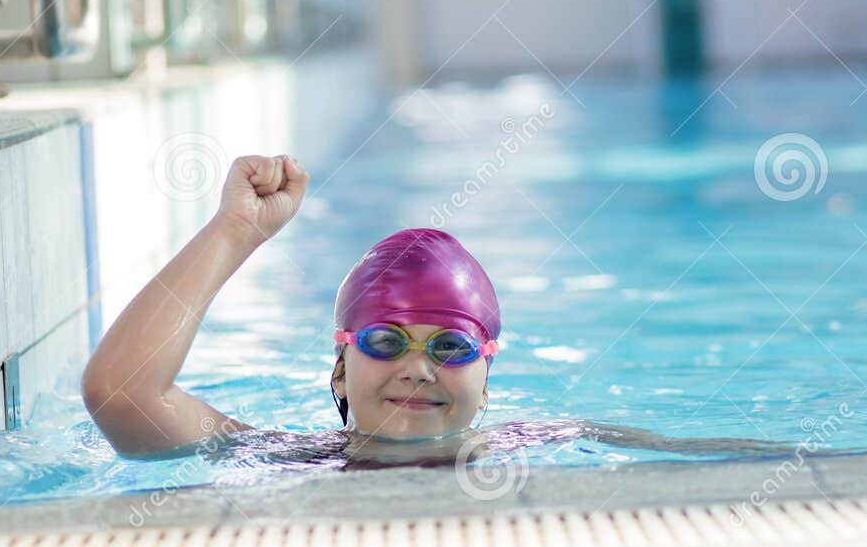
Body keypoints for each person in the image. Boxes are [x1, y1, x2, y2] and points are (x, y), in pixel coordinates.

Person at [80, 156, 795, 467]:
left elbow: (716, 462)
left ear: (488, 377)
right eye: (386, 341)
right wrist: (235, 230)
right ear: (338, 368)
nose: (417, 368)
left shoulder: (549, 445)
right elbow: (121, 393)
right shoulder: (279, 458)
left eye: (450, 348)